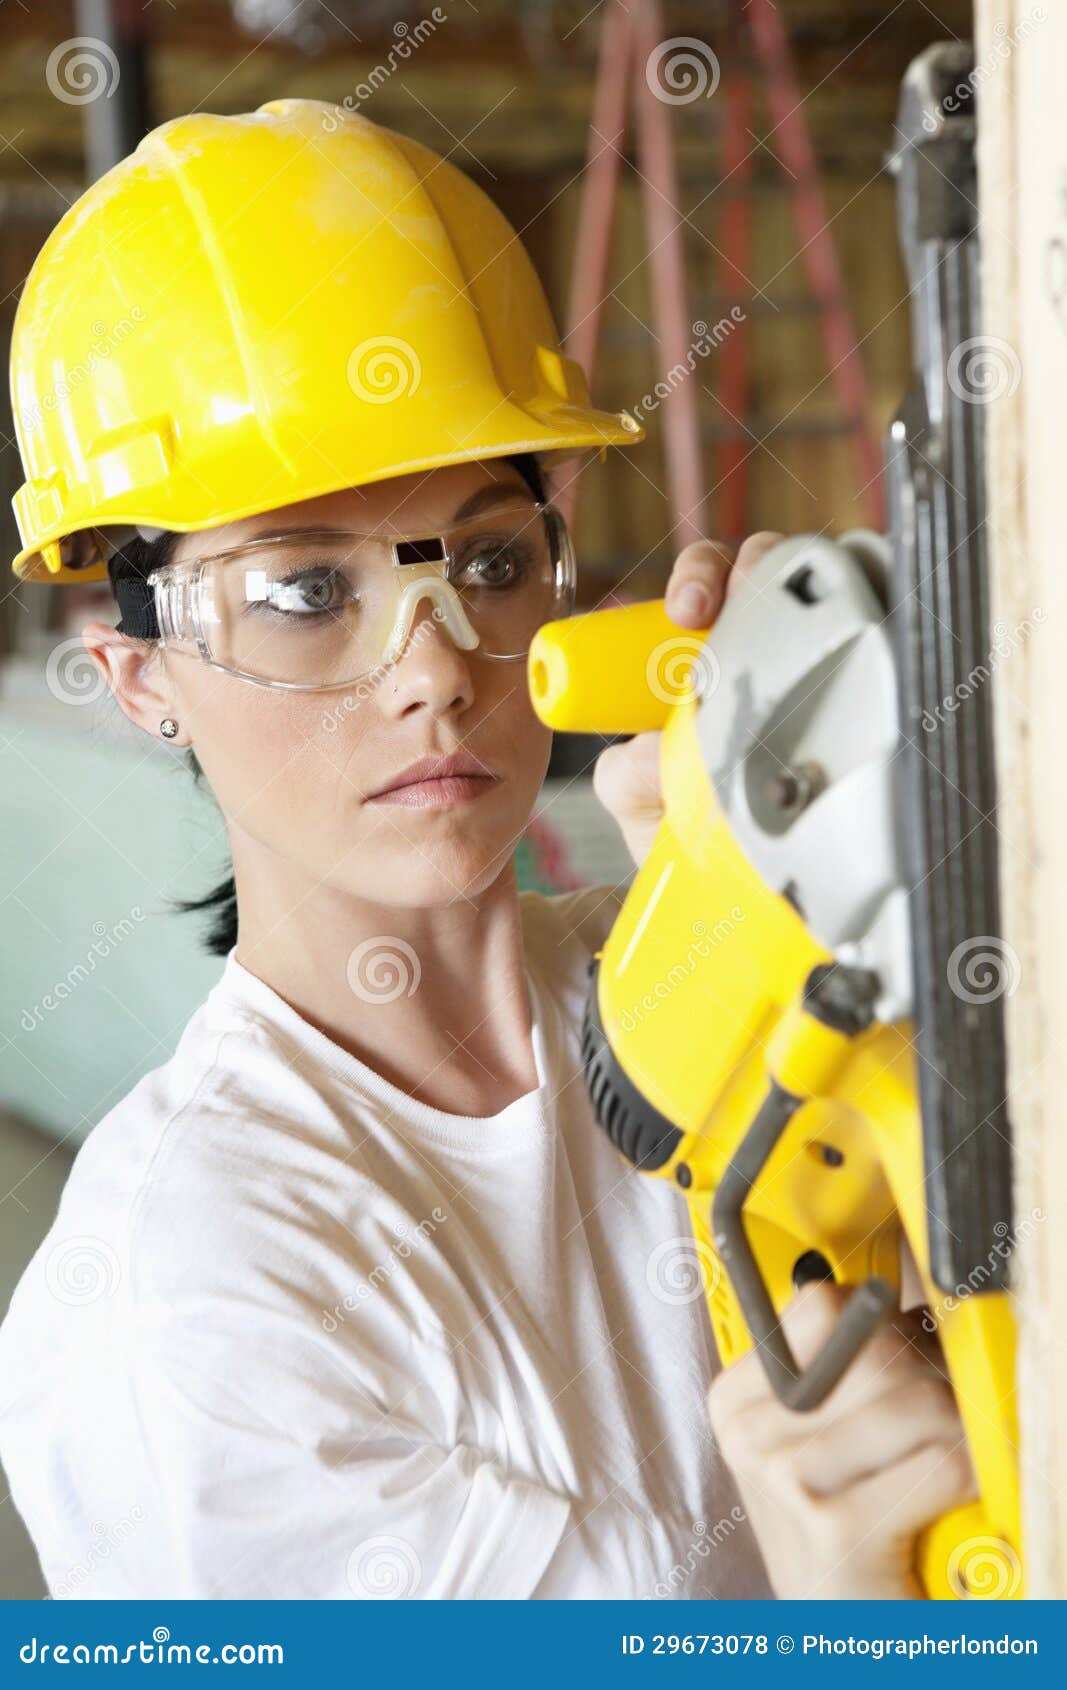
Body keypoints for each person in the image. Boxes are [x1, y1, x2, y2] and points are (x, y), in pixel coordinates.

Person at [0, 101, 973, 1601]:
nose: (437, 667)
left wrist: (814, 851)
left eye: (489, 559)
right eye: (306, 590)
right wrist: (840, 1626)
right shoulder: (181, 1300)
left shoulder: (682, 970)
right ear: (139, 675)